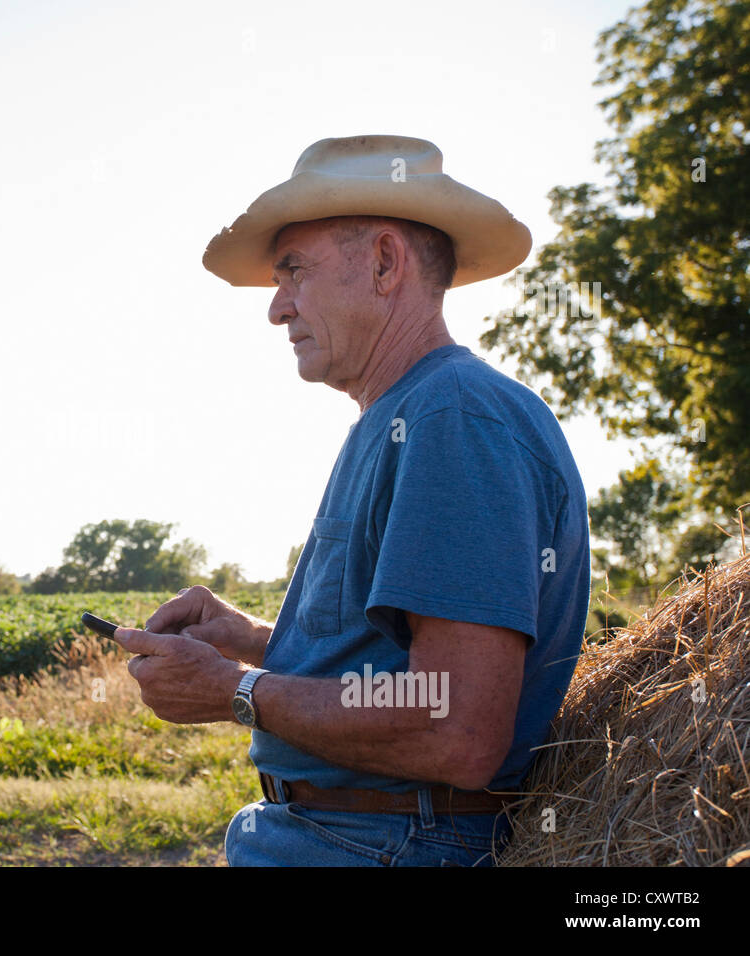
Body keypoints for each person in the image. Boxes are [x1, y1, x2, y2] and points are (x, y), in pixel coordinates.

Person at [113, 134, 591, 866]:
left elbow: (455, 724)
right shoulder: (408, 414)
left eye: (295, 271)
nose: (278, 308)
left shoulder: (452, 418)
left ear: (384, 262)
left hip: (382, 843)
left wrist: (238, 691)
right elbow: (390, 669)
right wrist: (252, 640)